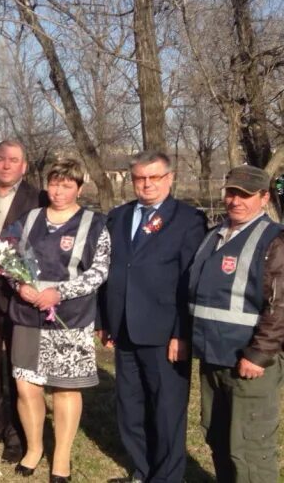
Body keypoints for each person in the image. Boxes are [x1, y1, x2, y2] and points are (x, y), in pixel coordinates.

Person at [99, 150, 207, 483]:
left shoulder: (188, 220)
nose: (146, 184)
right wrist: (105, 320)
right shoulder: (118, 216)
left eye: (154, 177)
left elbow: (191, 281)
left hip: (164, 333)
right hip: (124, 327)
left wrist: (181, 332)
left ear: (170, 178)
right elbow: (110, 270)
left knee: (165, 410)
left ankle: (167, 477)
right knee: (130, 408)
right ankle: (142, 470)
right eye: (140, 178)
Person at [5, 158, 110, 482]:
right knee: (26, 387)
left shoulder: (95, 223)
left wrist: (60, 293)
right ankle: (34, 448)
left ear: (79, 187)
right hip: (27, 316)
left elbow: (99, 271)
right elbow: (6, 259)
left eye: (67, 185)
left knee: (64, 389)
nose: (59, 191)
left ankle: (61, 458)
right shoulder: (29, 218)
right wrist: (18, 284)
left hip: (69, 318)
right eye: (54, 183)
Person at [189, 165, 284, 483]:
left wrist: (258, 354)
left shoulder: (274, 240)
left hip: (249, 362)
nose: (236, 200)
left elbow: (280, 306)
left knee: (250, 449)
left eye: (245, 195)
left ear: (264, 197)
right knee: (217, 437)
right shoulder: (214, 235)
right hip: (213, 356)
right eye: (231, 192)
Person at [0, 140, 46, 462]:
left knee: (18, 367)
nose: (6, 165)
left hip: (19, 294)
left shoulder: (38, 200)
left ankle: (17, 435)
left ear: (24, 166)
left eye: (13, 160)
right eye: (0, 159)